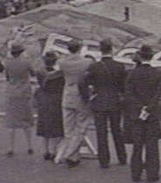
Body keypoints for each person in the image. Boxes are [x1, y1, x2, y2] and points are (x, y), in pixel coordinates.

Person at [80, 38, 127, 169]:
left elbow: (83, 83)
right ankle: (122, 156)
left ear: (100, 50)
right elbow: (124, 85)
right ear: (111, 49)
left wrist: (87, 97)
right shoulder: (119, 66)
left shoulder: (94, 66)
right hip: (115, 101)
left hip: (99, 100)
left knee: (101, 132)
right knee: (116, 130)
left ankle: (104, 160)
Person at [124, 45, 161, 183]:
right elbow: (158, 95)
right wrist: (148, 108)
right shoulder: (158, 73)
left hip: (136, 113)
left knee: (137, 145)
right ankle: (152, 174)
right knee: (152, 144)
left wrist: (140, 107)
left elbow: (128, 93)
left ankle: (136, 173)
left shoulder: (132, 74)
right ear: (151, 57)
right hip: (152, 114)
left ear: (140, 56)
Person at [55, 39, 92, 168]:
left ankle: (73, 155)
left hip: (67, 95)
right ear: (80, 48)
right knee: (81, 126)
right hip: (81, 96)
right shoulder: (86, 62)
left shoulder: (62, 62)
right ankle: (70, 154)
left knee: (68, 128)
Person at [4, 42, 36, 157]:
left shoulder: (8, 62)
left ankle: (10, 148)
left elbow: (7, 77)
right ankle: (29, 146)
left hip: (11, 92)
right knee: (26, 121)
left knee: (11, 122)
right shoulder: (26, 62)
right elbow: (33, 73)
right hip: (24, 92)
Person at [35, 51, 65, 161]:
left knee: (44, 125)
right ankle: (54, 150)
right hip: (56, 99)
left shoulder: (39, 72)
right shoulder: (59, 74)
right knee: (56, 126)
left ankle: (45, 150)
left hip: (43, 98)